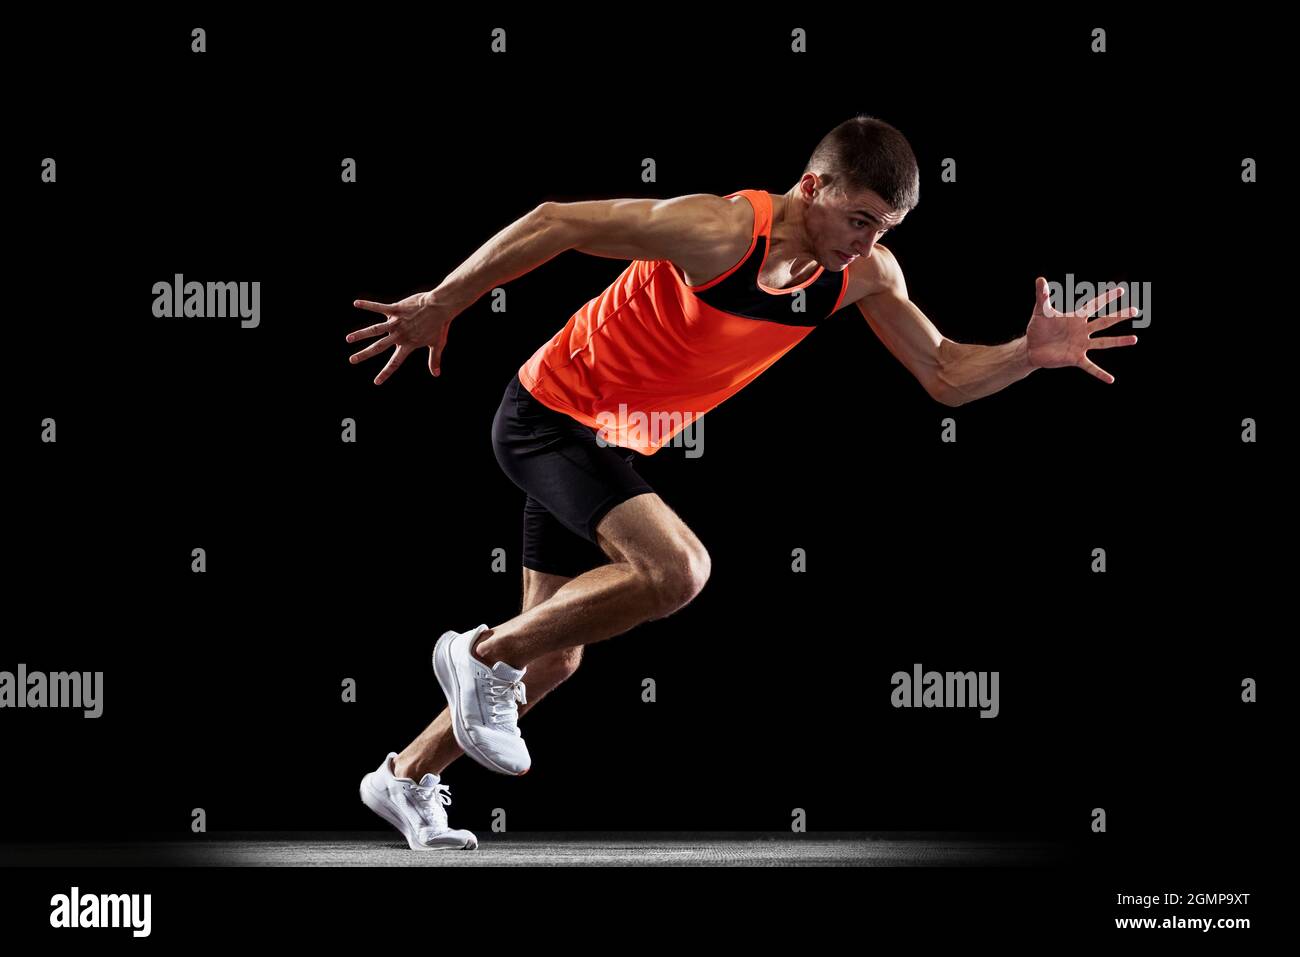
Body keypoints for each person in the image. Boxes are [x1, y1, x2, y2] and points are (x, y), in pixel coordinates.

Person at [351, 114, 1140, 849]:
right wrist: (441, 300)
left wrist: (1025, 355)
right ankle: (480, 650)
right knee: (677, 570)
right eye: (859, 220)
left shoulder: (860, 276)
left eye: (885, 231)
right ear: (812, 188)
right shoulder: (720, 230)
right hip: (548, 414)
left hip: (610, 436)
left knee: (556, 656)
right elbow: (559, 220)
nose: (867, 245)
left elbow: (942, 372)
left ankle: (405, 776)